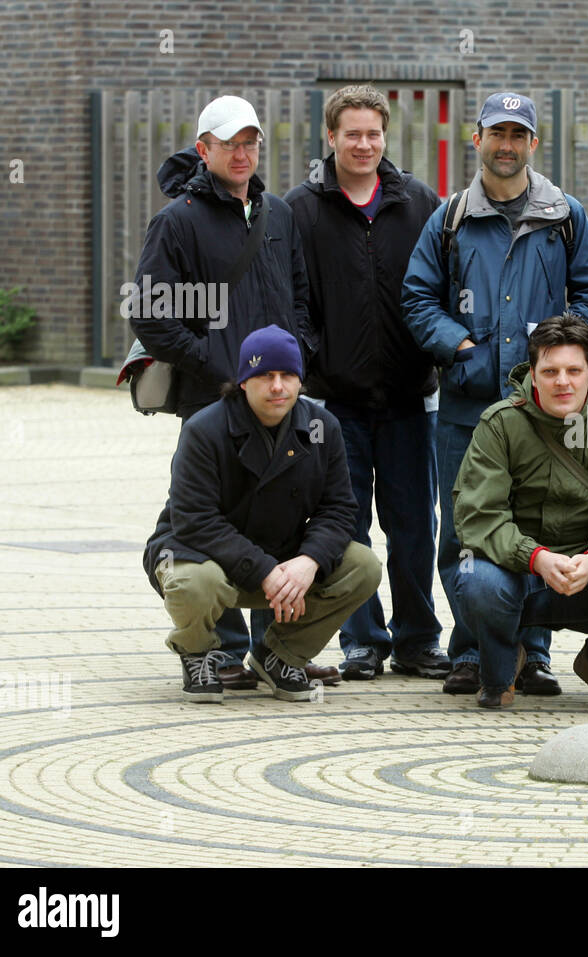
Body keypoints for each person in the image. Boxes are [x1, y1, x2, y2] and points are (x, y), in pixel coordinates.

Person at [402, 91, 588, 697]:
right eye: (497, 133)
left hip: (540, 414)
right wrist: (463, 349)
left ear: (533, 144)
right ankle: (471, 650)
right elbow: (417, 298)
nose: (507, 145)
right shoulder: (450, 219)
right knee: (464, 531)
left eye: (519, 135)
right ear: (478, 139)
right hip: (467, 408)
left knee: (538, 526)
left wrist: (560, 352)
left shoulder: (565, 216)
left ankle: (534, 652)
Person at [129, 94, 334, 690]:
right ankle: (219, 647)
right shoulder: (178, 220)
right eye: (229, 143)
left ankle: (277, 646)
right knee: (215, 512)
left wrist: (300, 351)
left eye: (250, 143)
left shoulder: (277, 214)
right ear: (204, 150)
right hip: (213, 399)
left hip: (279, 394)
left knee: (282, 509)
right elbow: (150, 312)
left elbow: (299, 293)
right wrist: (215, 364)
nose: (242, 153)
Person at [285, 85, 448, 682]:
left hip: (410, 399)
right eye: (351, 134)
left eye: (373, 134)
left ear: (386, 136)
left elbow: (441, 289)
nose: (363, 144)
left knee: (413, 525)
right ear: (330, 137)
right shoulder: (300, 210)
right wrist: (312, 357)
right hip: (334, 404)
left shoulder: (421, 203)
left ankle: (417, 639)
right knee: (346, 529)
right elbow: (292, 300)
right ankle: (362, 643)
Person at [143, 325, 381, 703]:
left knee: (363, 565)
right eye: (265, 376)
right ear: (242, 381)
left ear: (301, 381)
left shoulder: (322, 427)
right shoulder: (205, 429)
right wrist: (264, 570)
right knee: (194, 583)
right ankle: (197, 653)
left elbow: (337, 510)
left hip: (280, 556)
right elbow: (194, 520)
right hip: (198, 554)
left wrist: (309, 560)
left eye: (288, 375)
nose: (277, 387)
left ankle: (279, 656)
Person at [450, 316, 588, 709]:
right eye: (550, 371)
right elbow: (478, 513)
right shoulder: (501, 423)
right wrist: (535, 558)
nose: (562, 382)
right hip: (520, 574)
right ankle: (501, 671)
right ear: (532, 374)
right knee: (474, 578)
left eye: (574, 370)